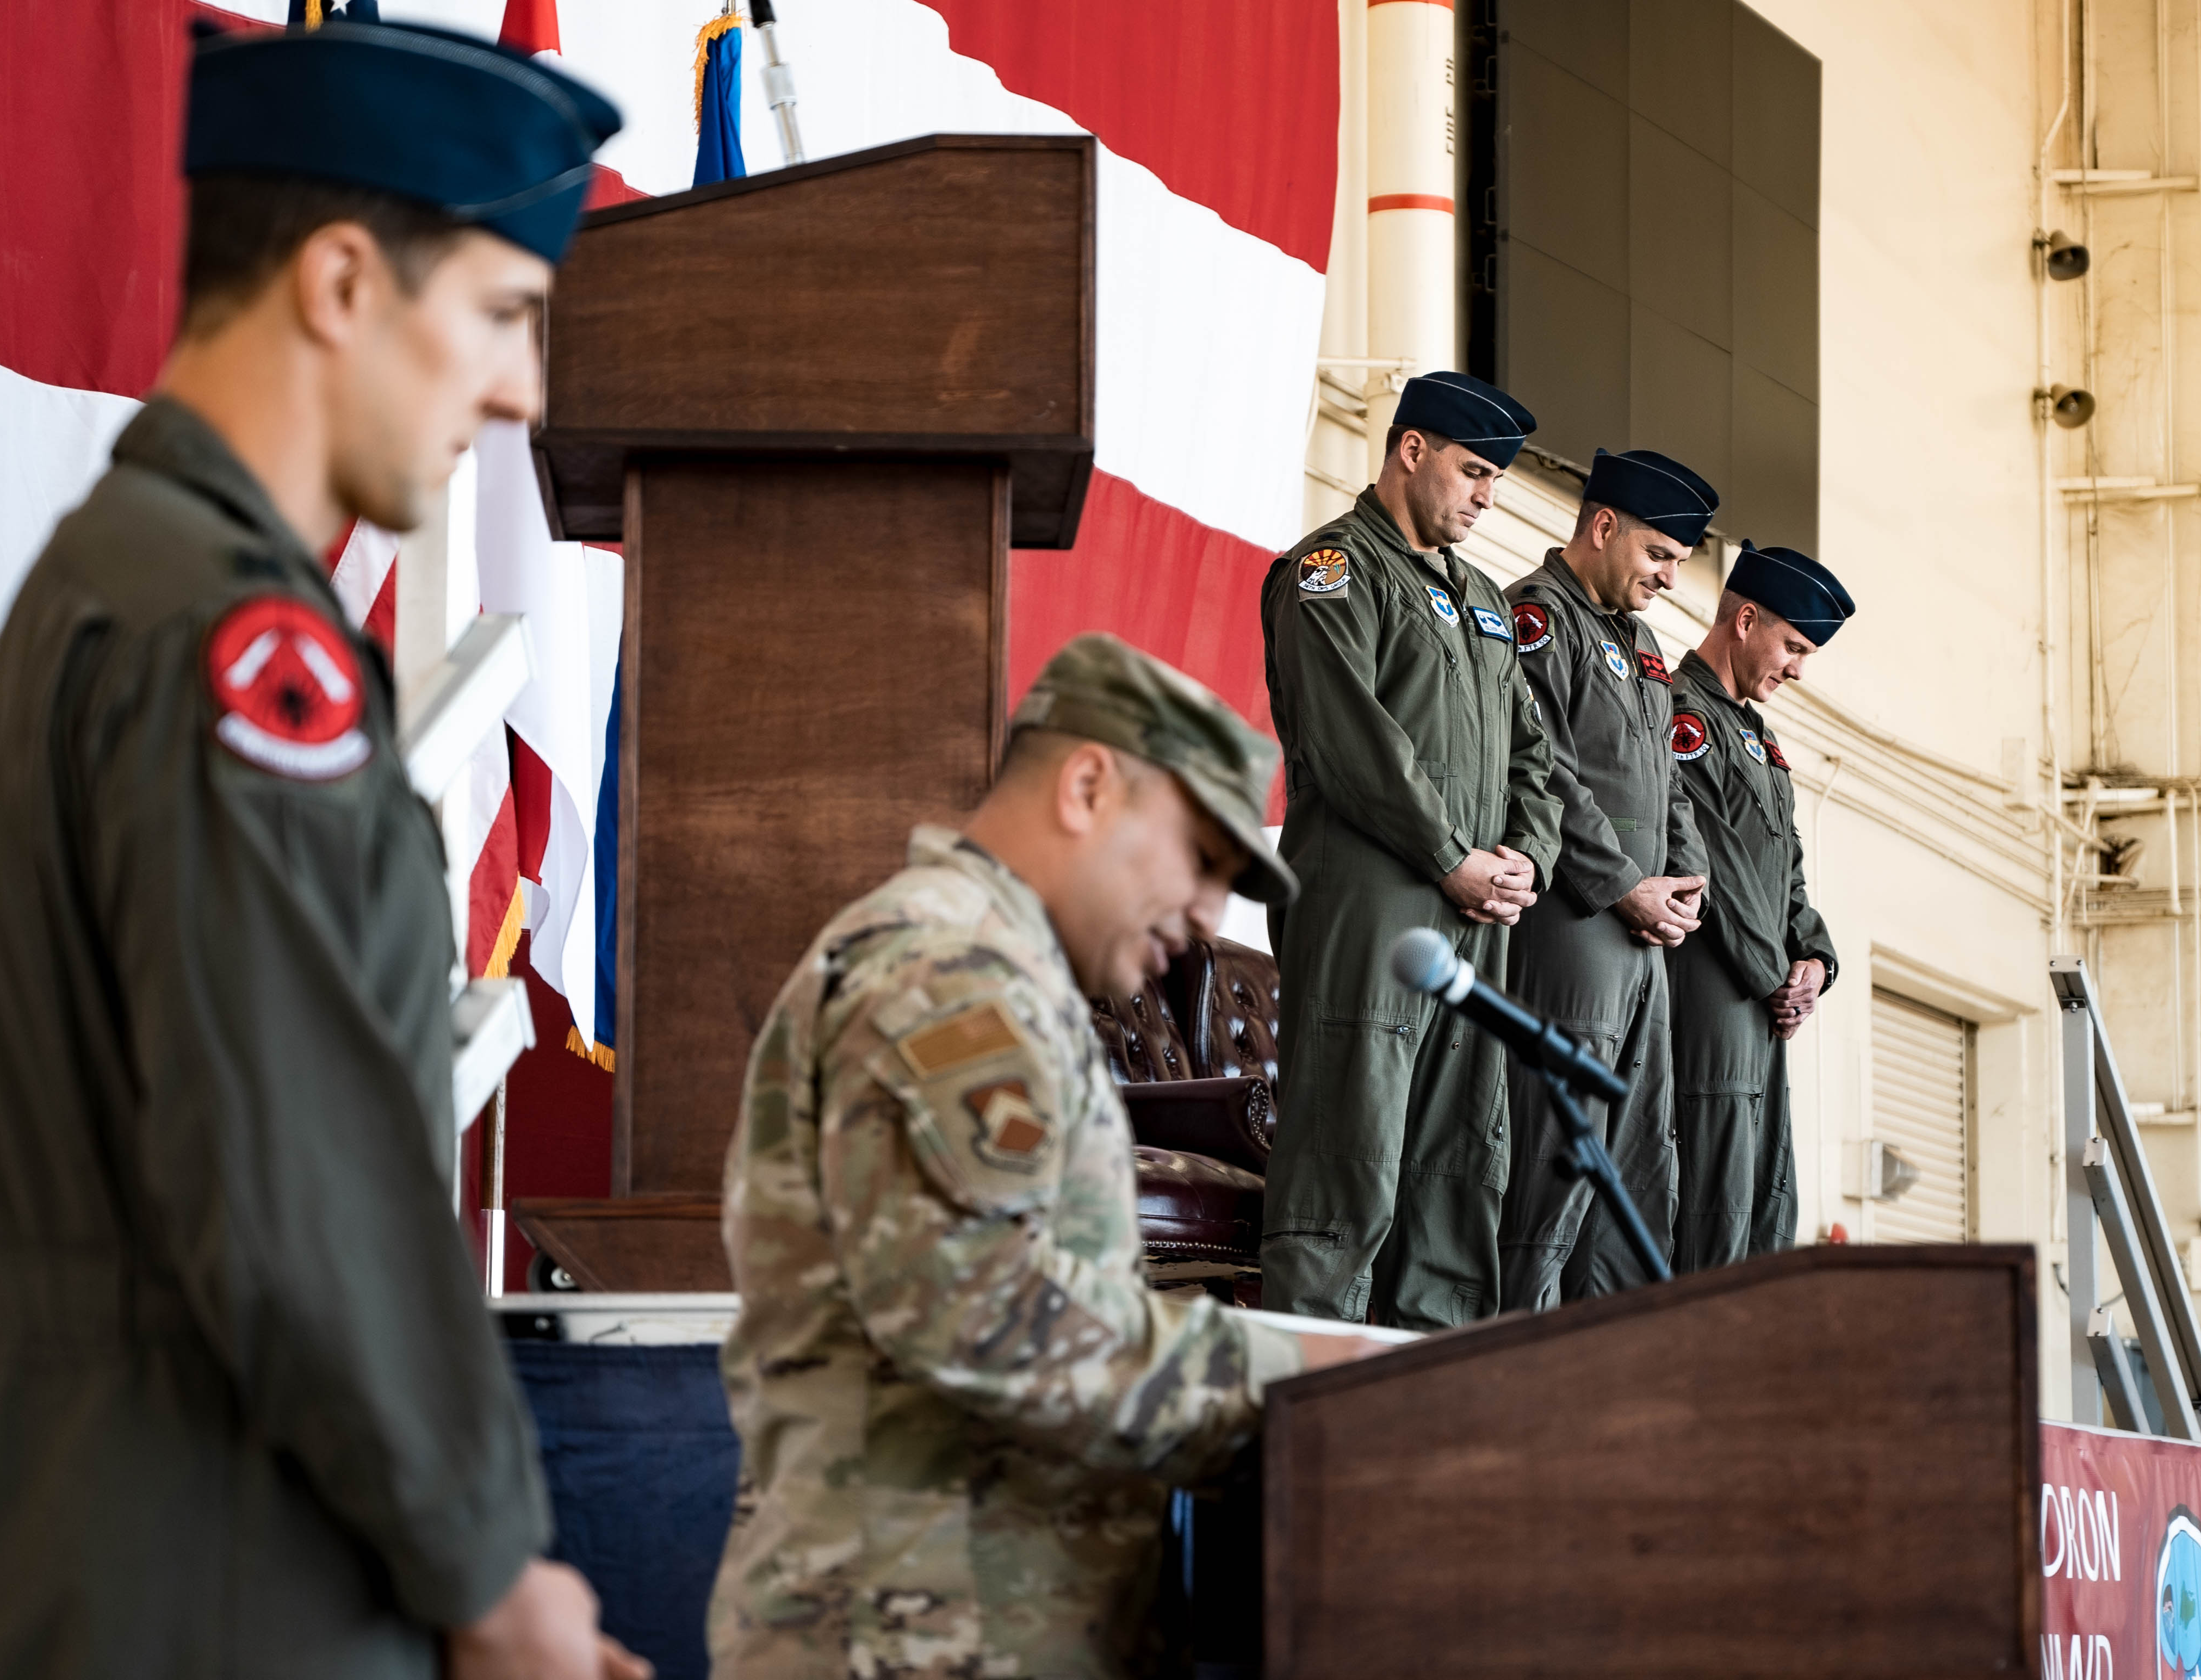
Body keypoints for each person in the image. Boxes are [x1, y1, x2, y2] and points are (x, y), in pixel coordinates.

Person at [0, 20, 648, 1680]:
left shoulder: (138, 582)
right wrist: (485, 1570)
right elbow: (295, 1176)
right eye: (502, 313)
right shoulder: (234, 649)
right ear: (338, 283)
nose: (527, 387)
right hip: (203, 1581)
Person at [709, 634, 1385, 1680]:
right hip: (910, 1643)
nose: (1210, 916)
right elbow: (1000, 1322)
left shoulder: (1008, 983)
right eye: (1201, 859)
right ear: (1086, 784)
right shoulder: (946, 978)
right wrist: (1336, 1380)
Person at [1255, 371, 1563, 1330]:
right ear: (1410, 450)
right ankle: (1314, 1391)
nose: (1483, 496)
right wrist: (1449, 856)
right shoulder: (1331, 571)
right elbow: (1355, 743)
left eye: (1495, 482)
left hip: (1477, 909)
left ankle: (1426, 1393)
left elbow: (1533, 756)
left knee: (1457, 1157)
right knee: (1350, 1145)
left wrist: (1526, 858)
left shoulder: (1479, 600)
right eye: (1472, 472)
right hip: (1372, 903)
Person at [1498, 449, 1718, 1309]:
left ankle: (1604, 1375)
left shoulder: (1646, 648)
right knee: (1557, 1155)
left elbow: (1666, 783)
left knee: (1635, 1163)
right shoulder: (1535, 619)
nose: (1668, 578)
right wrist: (1625, 883)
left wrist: (1685, 880)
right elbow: (1544, 769)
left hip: (1643, 936)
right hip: (1574, 923)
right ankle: (1517, 1356)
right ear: (1601, 526)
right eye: (1659, 555)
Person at [1667, 542, 1852, 1270]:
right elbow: (1711, 866)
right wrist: (1774, 974)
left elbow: (1787, 875)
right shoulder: (1685, 716)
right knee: (1712, 1207)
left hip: (1762, 1000)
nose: (1798, 669)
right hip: (1713, 991)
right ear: (1744, 619)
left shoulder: (1760, 741)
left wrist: (1813, 960)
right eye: (1792, 646)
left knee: (1766, 1204)